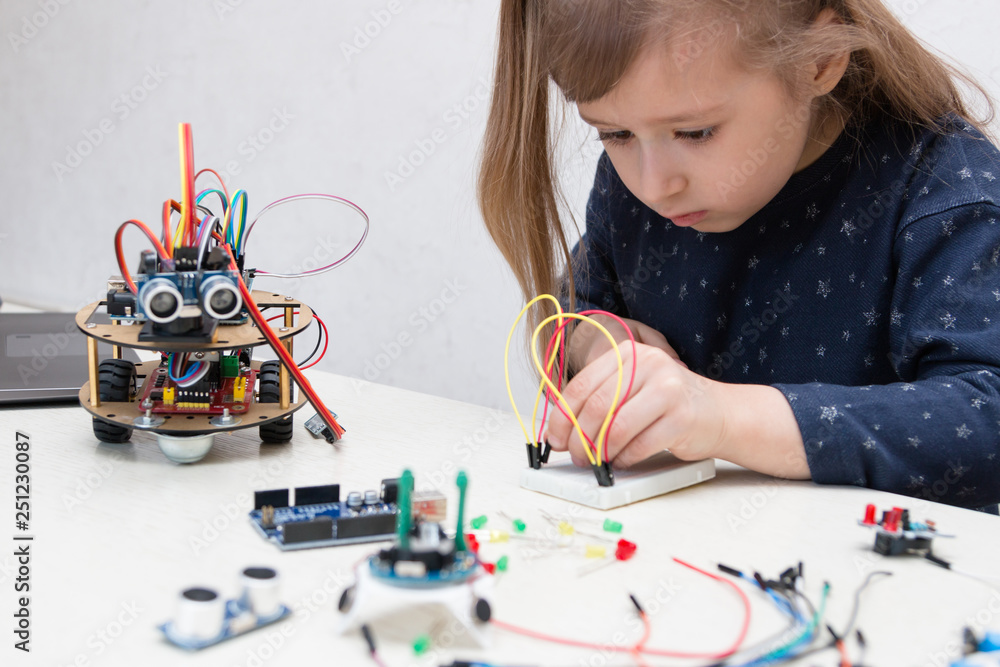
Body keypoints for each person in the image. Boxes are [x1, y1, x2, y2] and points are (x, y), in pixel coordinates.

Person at [477, 0, 1000, 511]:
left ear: (818, 61)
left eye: (695, 132)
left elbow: (985, 415)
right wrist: (598, 345)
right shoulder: (633, 185)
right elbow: (570, 311)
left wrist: (722, 417)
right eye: (614, 134)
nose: (654, 186)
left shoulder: (946, 193)